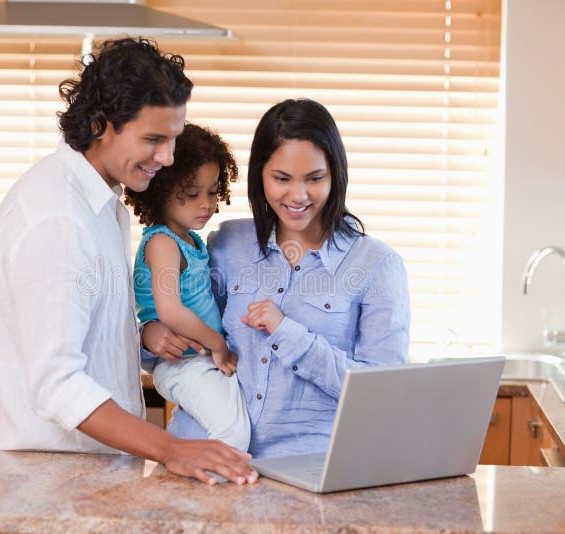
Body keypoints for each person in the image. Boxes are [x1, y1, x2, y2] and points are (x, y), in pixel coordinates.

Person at [0, 37, 257, 485]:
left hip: (98, 474)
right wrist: (171, 448)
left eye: (173, 139)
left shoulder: (101, 201)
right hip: (58, 487)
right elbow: (58, 385)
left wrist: (145, 334)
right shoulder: (58, 220)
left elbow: (91, 328)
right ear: (98, 124)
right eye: (153, 139)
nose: (167, 158)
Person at [142, 99, 410, 458]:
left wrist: (289, 333)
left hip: (303, 471)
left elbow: (382, 395)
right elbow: (188, 329)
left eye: (314, 178)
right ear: (260, 176)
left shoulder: (377, 265)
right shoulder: (225, 244)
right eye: (281, 178)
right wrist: (149, 335)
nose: (297, 195)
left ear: (335, 175)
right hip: (199, 456)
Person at [124, 123, 250, 452]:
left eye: (212, 191)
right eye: (192, 194)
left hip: (196, 360)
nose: (206, 203)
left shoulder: (188, 239)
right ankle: (213, 494)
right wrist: (217, 343)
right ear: (160, 190)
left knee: (234, 425)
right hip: (183, 362)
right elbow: (171, 311)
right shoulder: (163, 242)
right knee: (232, 433)